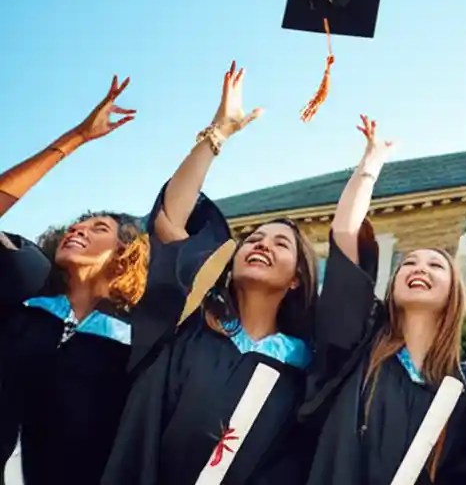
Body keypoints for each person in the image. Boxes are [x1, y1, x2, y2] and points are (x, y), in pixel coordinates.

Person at [102, 62, 323, 484]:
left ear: (297, 278)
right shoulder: (189, 323)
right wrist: (217, 133)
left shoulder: (304, 368)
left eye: (280, 244)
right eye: (254, 238)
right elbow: (171, 219)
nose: (261, 244)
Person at [303, 116, 466, 484]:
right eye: (409, 263)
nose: (418, 268)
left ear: (456, 293)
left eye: (436, 264)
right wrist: (370, 165)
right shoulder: (356, 350)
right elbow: (345, 235)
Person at [0, 76, 146, 484]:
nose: (77, 230)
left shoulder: (135, 340)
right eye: (76, 224)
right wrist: (77, 137)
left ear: (124, 255)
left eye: (98, 228)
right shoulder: (27, 296)